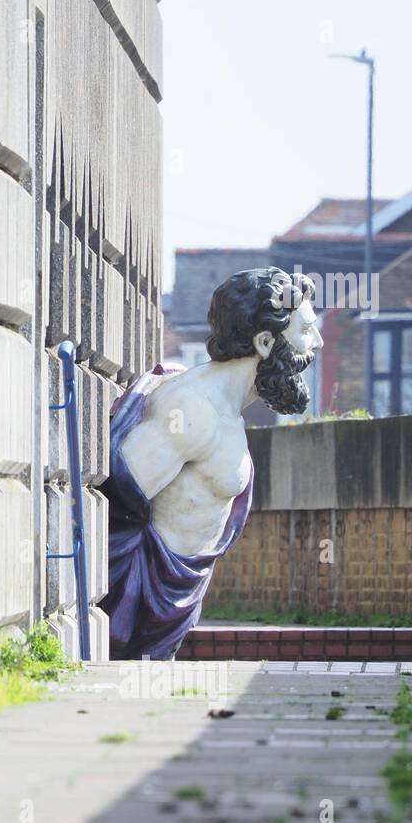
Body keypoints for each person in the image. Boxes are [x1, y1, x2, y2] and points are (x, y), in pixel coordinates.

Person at [98, 267, 322, 659]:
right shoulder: (193, 409)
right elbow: (117, 501)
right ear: (266, 342)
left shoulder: (227, 412)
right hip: (141, 598)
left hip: (173, 597)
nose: (316, 343)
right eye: (305, 332)